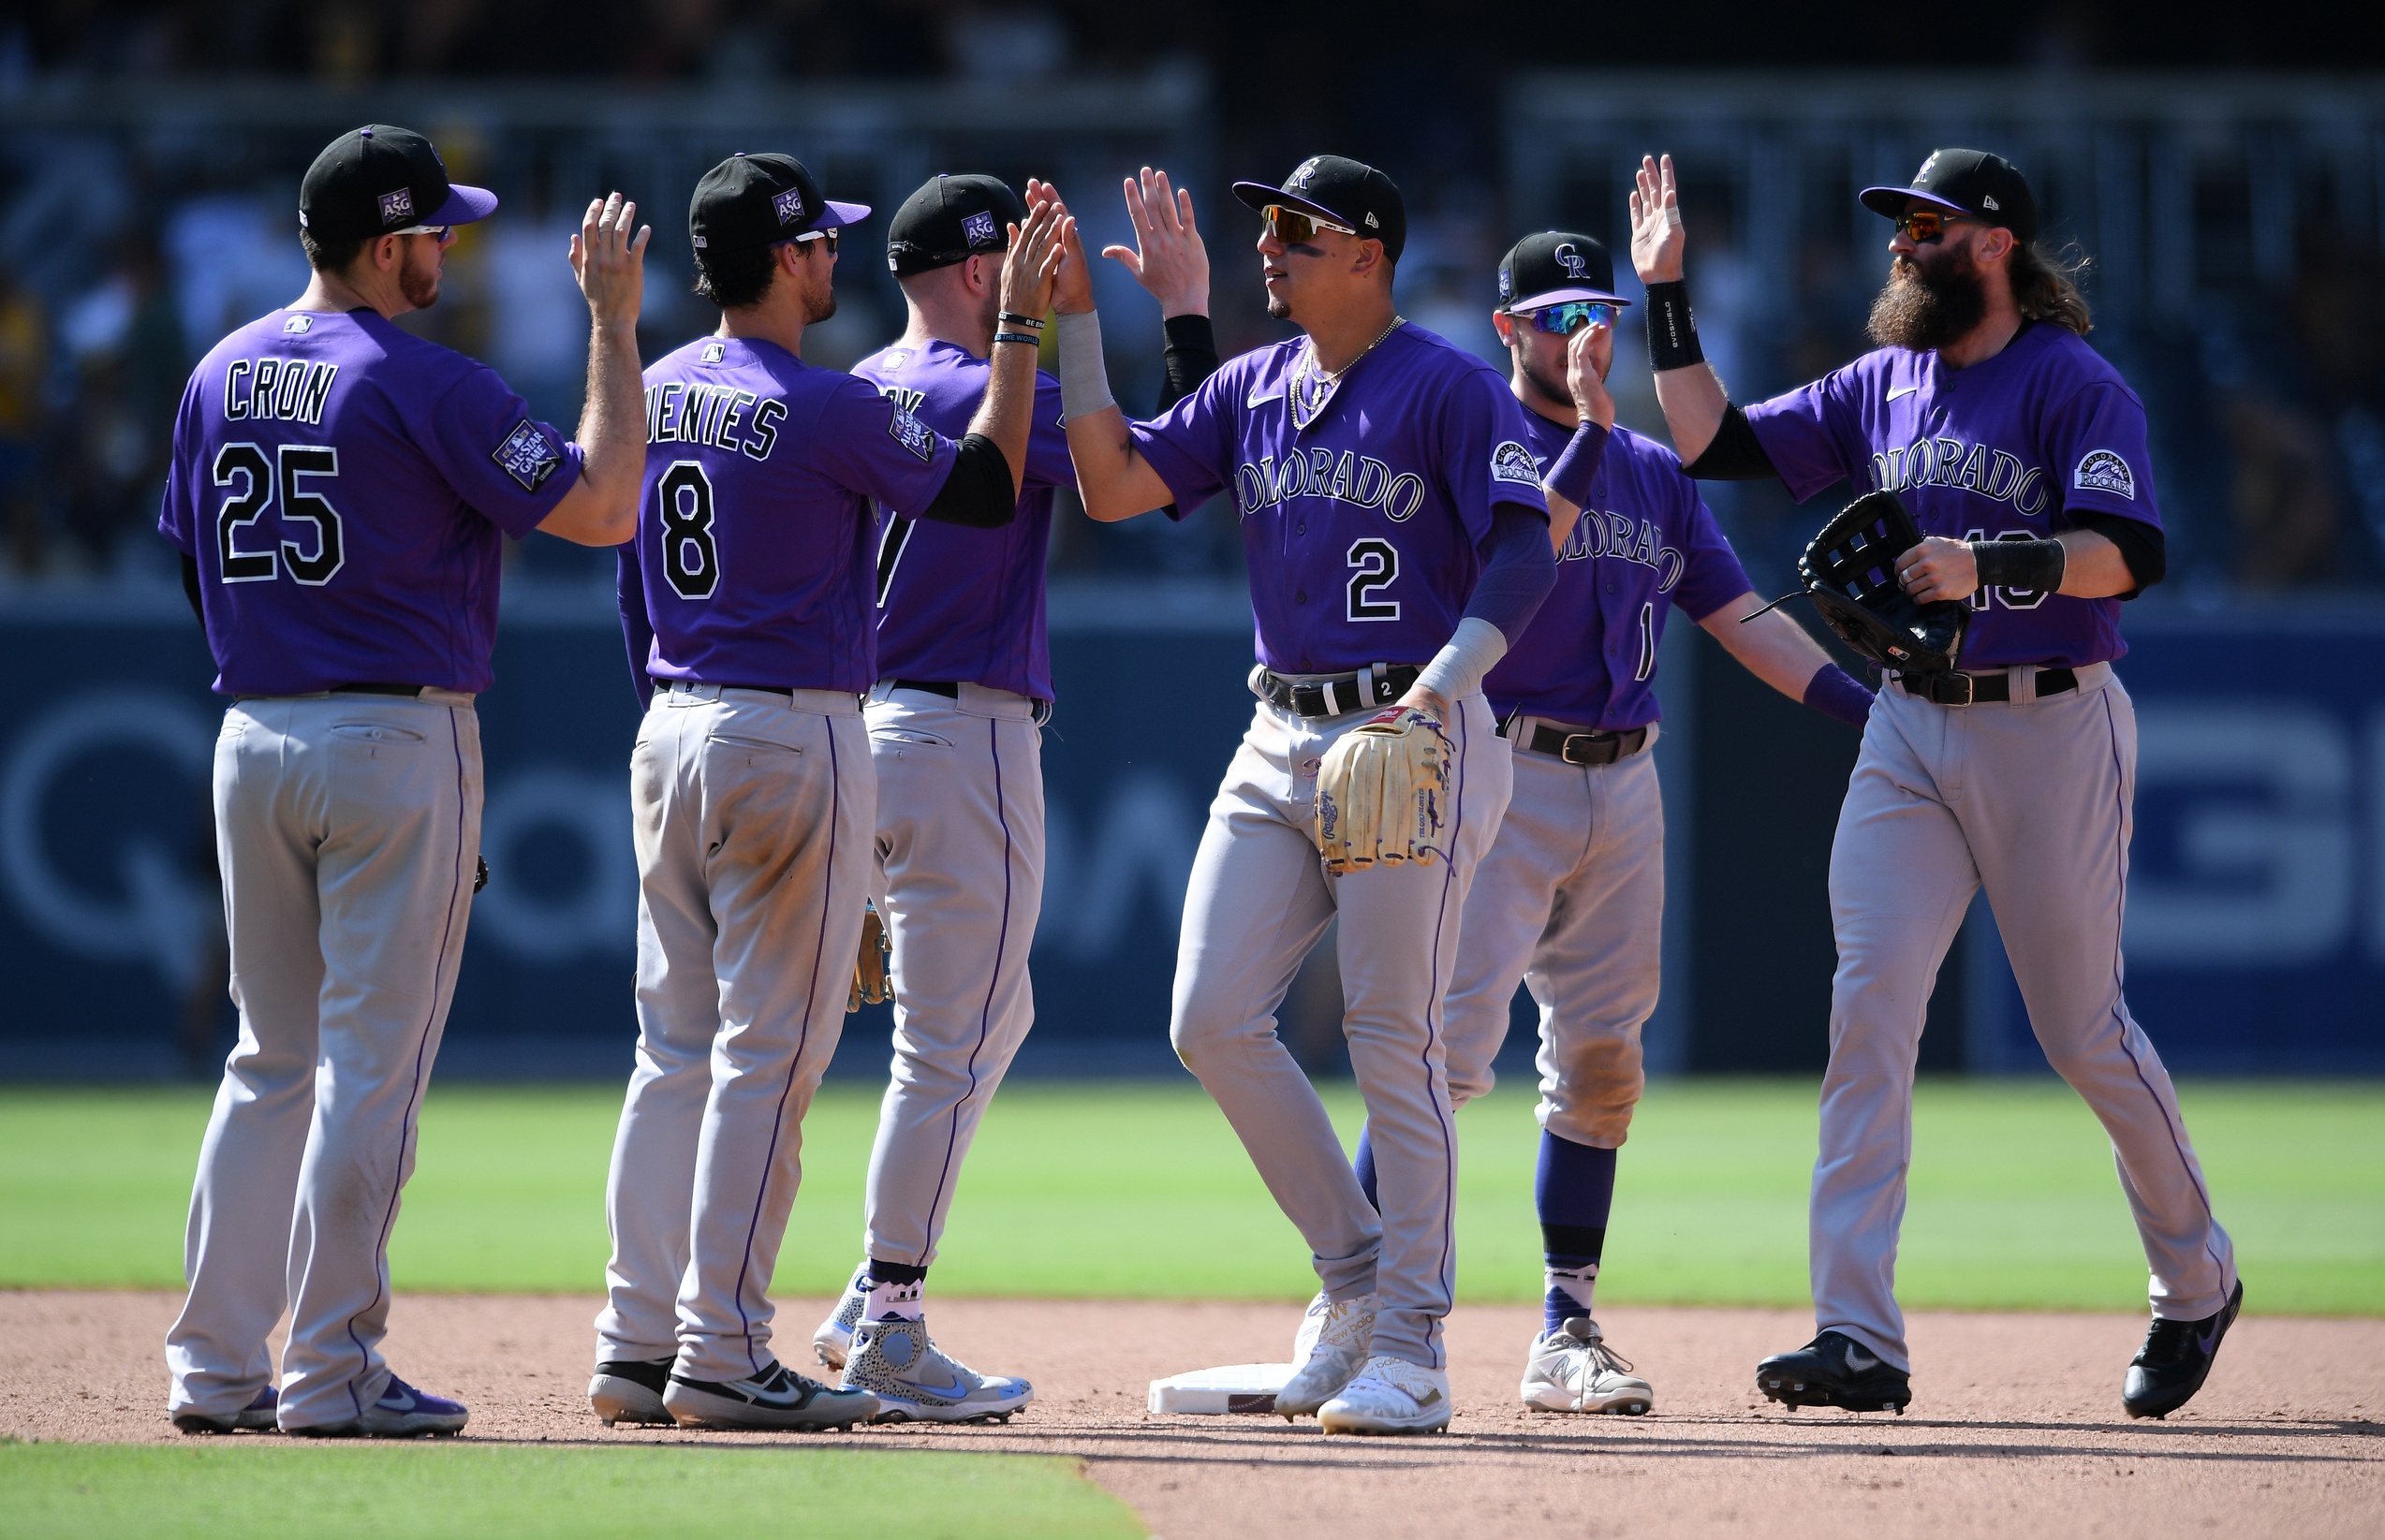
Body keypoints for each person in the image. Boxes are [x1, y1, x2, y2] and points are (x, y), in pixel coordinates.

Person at [1628, 148, 2238, 1417]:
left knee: (2081, 1034)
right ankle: (1856, 1334)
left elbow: (2125, 555)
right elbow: (1714, 444)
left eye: (1930, 227)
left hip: (2048, 724)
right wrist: (1667, 295)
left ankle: (2194, 1279)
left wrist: (1991, 565)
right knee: (1867, 1010)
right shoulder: (1881, 380)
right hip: (1909, 727)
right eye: (1900, 226)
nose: (1904, 244)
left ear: (1996, 246)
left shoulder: (2072, 383)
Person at [1047, 155, 1574, 1435]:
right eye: (1265, 227)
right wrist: (1073, 322)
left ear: (1369, 254)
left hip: (1416, 725)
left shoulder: (1444, 386)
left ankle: (1412, 1345)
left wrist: (1445, 687)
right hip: (1279, 724)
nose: (1268, 247)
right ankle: (1352, 1278)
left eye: (1297, 228)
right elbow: (1112, 485)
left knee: (1394, 1041)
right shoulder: (1255, 384)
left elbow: (1525, 544)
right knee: (1209, 1017)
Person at [160, 125, 648, 1436]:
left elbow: (189, 557)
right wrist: (612, 329)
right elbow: (605, 507)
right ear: (386, 245)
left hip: (252, 728)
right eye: (435, 231)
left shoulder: (216, 372)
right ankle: (333, 1367)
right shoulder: (427, 381)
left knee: (269, 1060)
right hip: (394, 733)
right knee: (372, 1071)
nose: (450, 248)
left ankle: (213, 1366)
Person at [587, 153, 1064, 1432]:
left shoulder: (658, 384)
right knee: (769, 1059)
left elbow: (624, 584)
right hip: (789, 728)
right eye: (820, 243)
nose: (833, 261)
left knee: (670, 1053)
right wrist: (1019, 325)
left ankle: (634, 1340)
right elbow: (982, 485)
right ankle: (726, 1350)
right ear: (788, 257)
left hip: (669, 718)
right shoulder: (820, 403)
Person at [1416, 231, 1873, 1417]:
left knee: (1603, 1067)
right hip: (1500, 773)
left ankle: (1567, 1328)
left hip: (1625, 781)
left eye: (1595, 309)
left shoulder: (1656, 473)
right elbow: (1514, 565)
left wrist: (1868, 711)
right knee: (1433, 1062)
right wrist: (1585, 430)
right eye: (1554, 312)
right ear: (1506, 328)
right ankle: (1373, 1310)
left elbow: (1742, 620)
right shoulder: (1483, 443)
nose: (1581, 330)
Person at [805, 169, 1218, 1422]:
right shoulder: (992, 387)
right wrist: (1182, 311)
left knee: (977, 1023)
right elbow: (1158, 469)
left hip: (859, 722)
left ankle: (860, 1293)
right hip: (958, 731)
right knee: (951, 1041)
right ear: (990, 275)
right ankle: (887, 1319)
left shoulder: (861, 383)